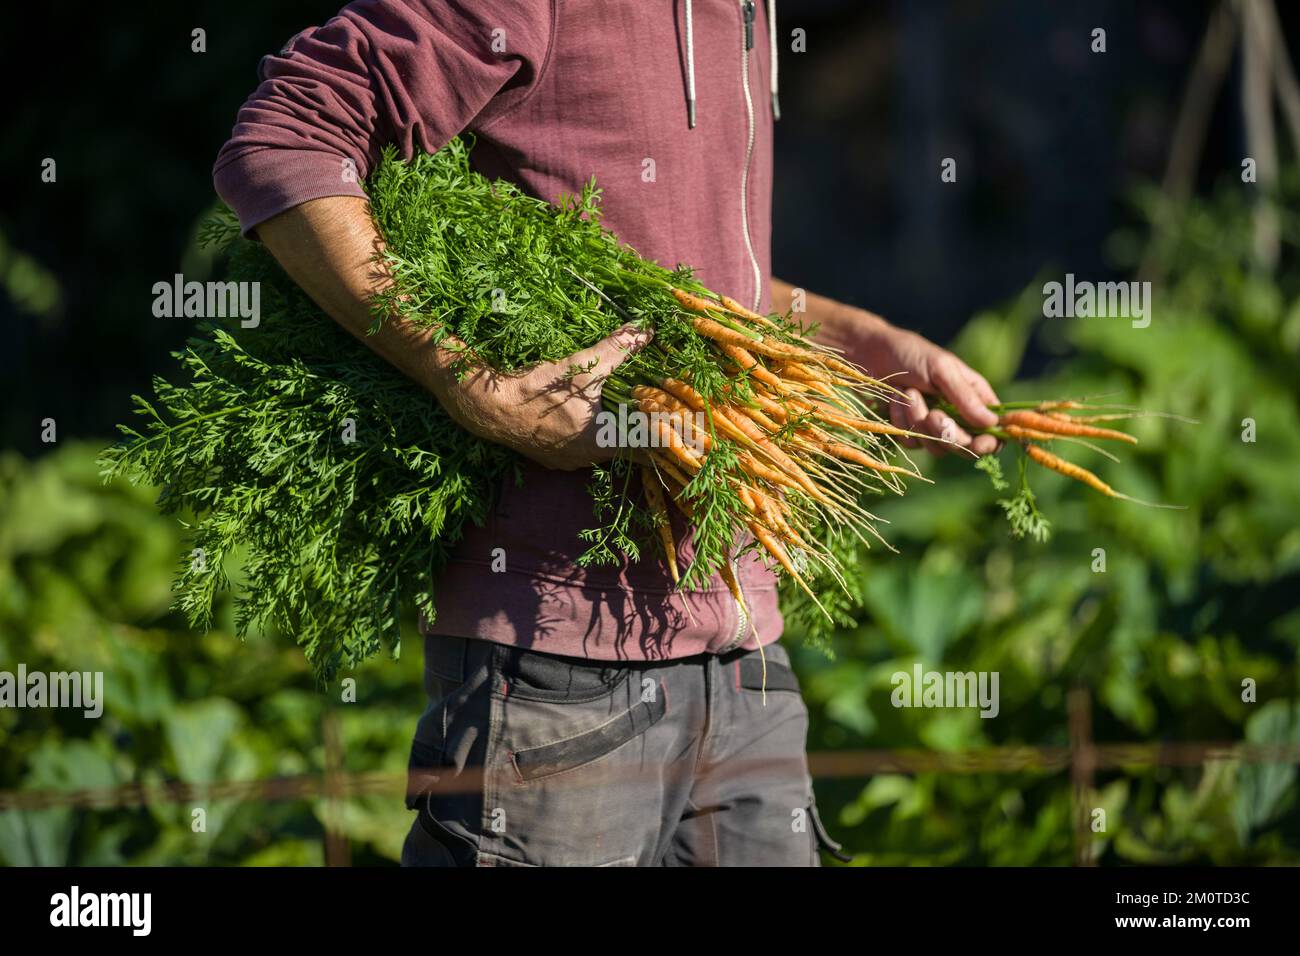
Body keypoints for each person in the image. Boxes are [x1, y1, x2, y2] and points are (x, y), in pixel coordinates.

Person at [214, 0, 1000, 866]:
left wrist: (855, 341)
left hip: (745, 653)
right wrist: (471, 382)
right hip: (555, 663)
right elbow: (285, 138)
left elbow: (692, 288)